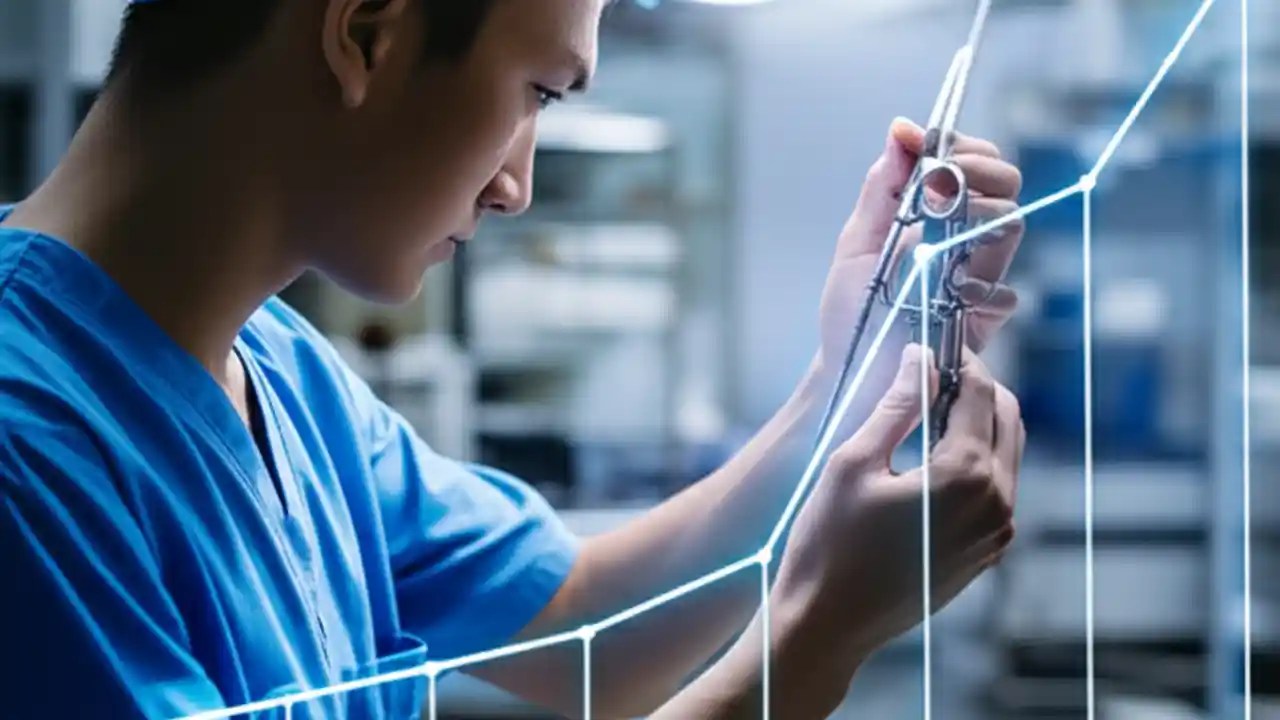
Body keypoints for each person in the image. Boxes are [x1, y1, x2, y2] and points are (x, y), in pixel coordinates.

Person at [0, 0, 1027, 717]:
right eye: (538, 89)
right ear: (364, 31)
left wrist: (852, 378)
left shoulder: (281, 378)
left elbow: (584, 629)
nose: (515, 188)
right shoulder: (27, 452)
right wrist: (816, 640)